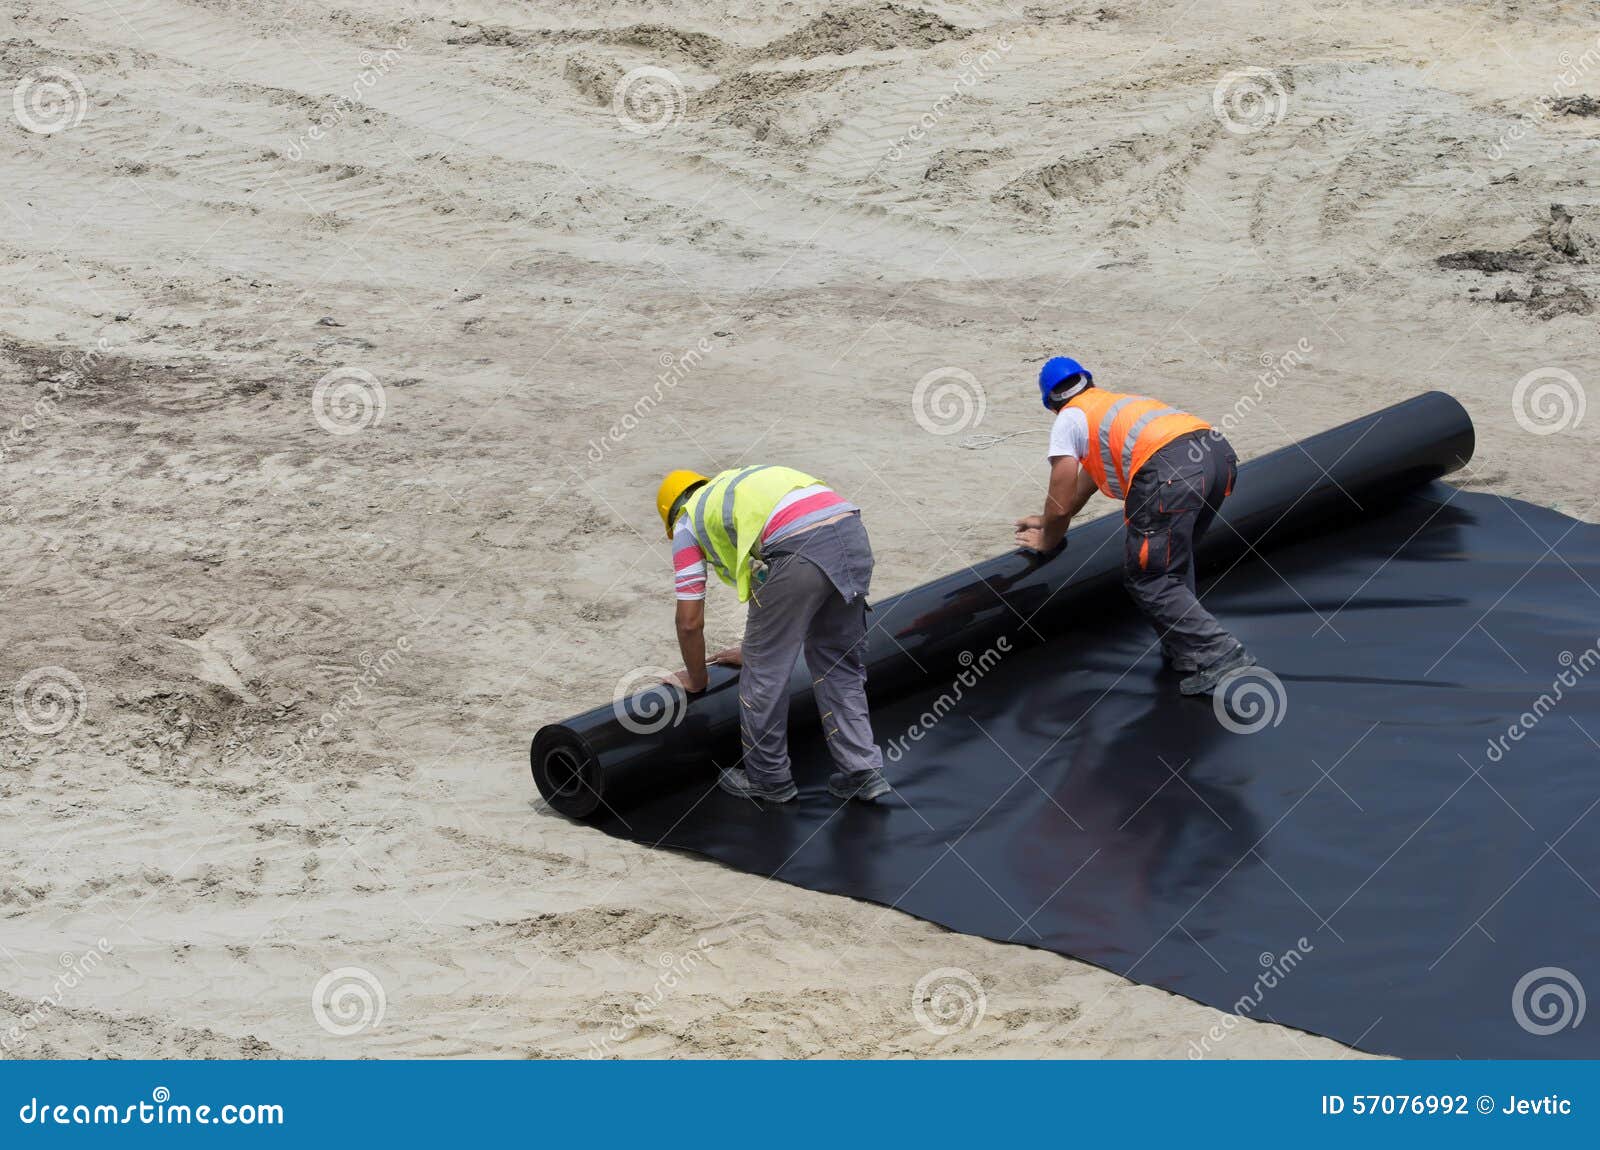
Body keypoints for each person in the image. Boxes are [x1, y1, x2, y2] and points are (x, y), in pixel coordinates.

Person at [1013, 356, 1259, 695]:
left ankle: (1219, 653)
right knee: (1172, 562)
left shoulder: (1069, 419)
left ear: (1050, 402)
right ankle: (1187, 650)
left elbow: (1060, 491)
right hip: (1216, 457)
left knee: (1150, 575)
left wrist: (1047, 540)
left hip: (1170, 472)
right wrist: (1048, 521)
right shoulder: (1111, 406)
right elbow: (1081, 487)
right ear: (1089, 382)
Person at [656, 466, 890, 803]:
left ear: (671, 512)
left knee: (764, 675)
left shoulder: (688, 523)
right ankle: (862, 771)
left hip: (799, 549)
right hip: (851, 535)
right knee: (838, 662)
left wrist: (696, 678)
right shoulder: (739, 492)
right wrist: (754, 646)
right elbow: (774, 581)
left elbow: (689, 622)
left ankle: (768, 780)